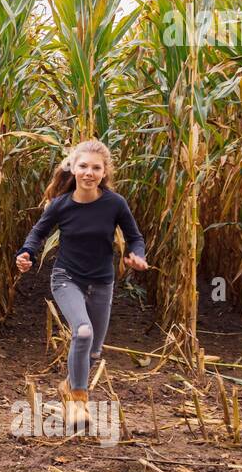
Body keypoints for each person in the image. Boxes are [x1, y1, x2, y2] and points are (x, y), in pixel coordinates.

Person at [15, 140, 148, 430]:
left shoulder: (115, 203)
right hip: (67, 278)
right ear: (73, 168)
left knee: (93, 351)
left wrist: (136, 255)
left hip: (102, 281)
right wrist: (26, 254)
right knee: (83, 331)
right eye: (83, 166)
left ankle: (69, 386)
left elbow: (134, 236)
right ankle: (78, 402)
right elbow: (37, 234)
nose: (89, 172)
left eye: (96, 168)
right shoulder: (61, 205)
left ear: (104, 172)